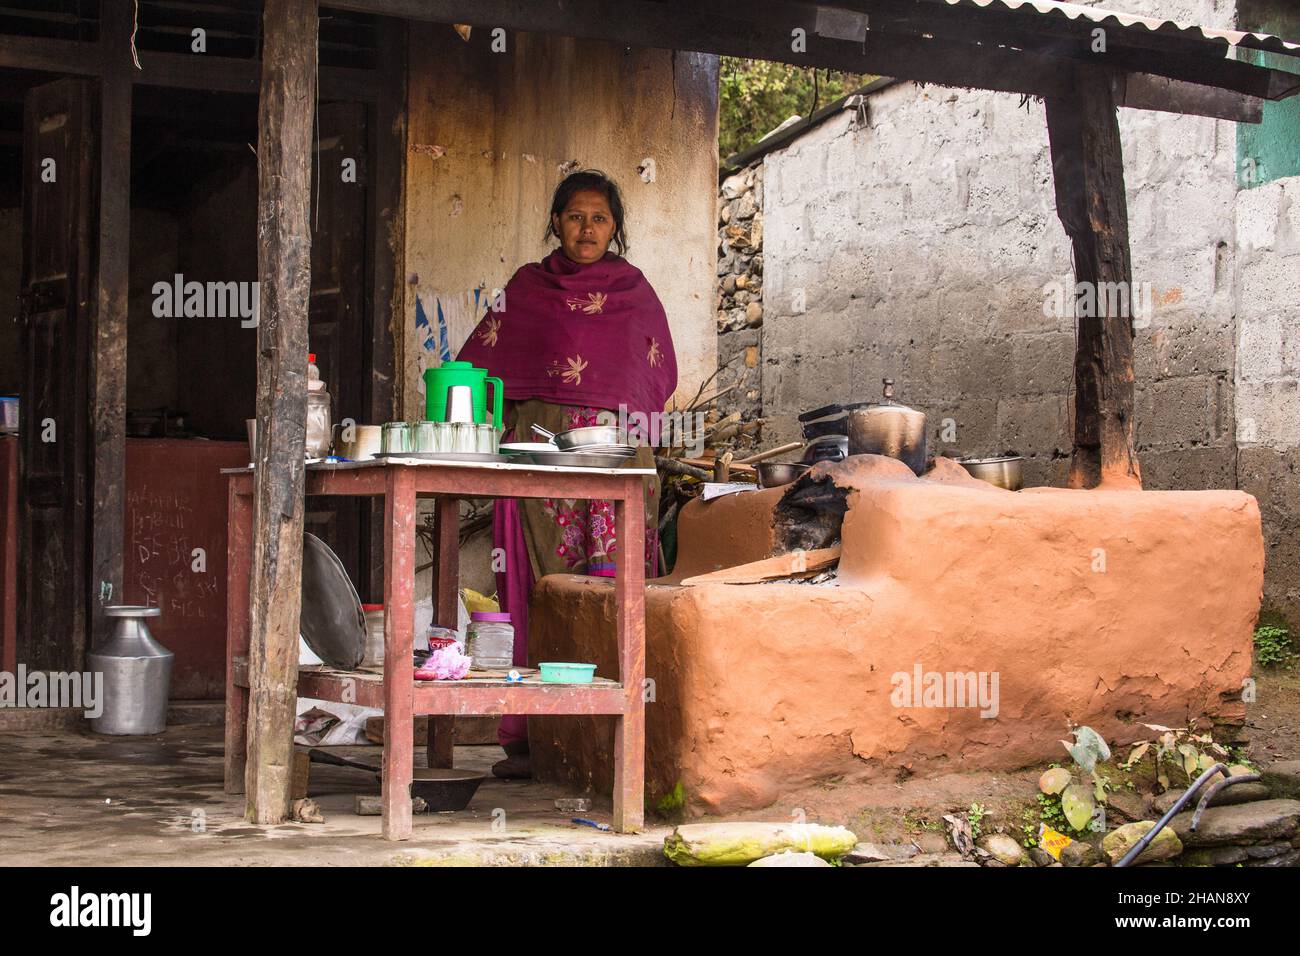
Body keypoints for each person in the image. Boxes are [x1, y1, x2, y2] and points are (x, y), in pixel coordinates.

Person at [457, 170, 678, 778]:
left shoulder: (634, 292)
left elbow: (655, 375)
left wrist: (617, 429)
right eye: (576, 216)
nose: (587, 229)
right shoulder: (527, 288)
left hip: (611, 459)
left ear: (616, 228)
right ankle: (536, 736)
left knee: (611, 586)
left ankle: (619, 732)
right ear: (555, 221)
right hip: (537, 452)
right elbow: (477, 365)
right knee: (539, 584)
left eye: (600, 218)